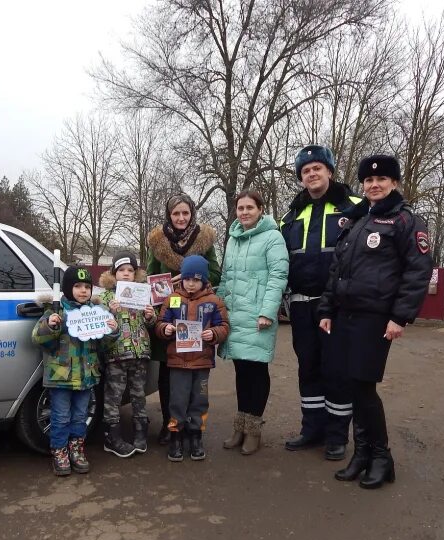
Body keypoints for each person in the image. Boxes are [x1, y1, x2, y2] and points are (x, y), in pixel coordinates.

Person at [318, 154, 432, 489]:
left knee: (364, 387)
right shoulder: (357, 221)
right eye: (368, 181)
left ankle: (382, 458)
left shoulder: (406, 221)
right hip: (345, 315)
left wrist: (400, 317)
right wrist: (326, 309)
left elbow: (417, 272)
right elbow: (337, 270)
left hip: (375, 318)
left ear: (394, 183)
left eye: (381, 180)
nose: (374, 185)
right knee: (353, 385)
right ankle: (363, 454)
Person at [279, 144, 363, 461]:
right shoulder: (289, 216)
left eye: (317, 168)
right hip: (300, 304)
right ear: (301, 178)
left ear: (329, 170)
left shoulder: (356, 206)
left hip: (339, 308)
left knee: (336, 370)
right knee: (308, 368)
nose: (312, 174)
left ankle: (337, 435)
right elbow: (280, 261)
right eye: (305, 170)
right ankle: (312, 429)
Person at [146, 192, 222, 445]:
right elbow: (150, 276)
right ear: (169, 215)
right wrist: (167, 285)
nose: (181, 217)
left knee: (193, 372)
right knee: (168, 371)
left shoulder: (204, 239)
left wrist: (195, 277)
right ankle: (171, 424)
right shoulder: (157, 242)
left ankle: (192, 426)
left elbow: (215, 272)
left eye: (185, 213)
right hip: (168, 313)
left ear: (192, 214)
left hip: (196, 315)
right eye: (176, 213)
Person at [218, 190, 289, 455]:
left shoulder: (273, 238)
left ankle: (253, 430)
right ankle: (240, 426)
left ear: (261, 209)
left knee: (256, 372)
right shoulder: (233, 239)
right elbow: (226, 278)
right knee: (241, 372)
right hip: (235, 316)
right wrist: (220, 309)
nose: (244, 212)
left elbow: (278, 276)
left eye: (250, 207)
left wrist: (267, 312)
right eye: (240, 208)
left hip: (258, 316)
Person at [32, 266, 118, 476]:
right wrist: (50, 326)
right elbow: (37, 338)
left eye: (87, 286)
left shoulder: (96, 313)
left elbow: (104, 345)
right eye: (77, 286)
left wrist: (112, 330)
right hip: (60, 378)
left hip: (86, 377)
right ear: (68, 289)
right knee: (60, 417)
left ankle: (76, 450)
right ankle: (59, 452)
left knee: (80, 417)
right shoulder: (55, 312)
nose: (83, 290)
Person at [155, 255, 229, 462]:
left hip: (202, 362)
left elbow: (224, 326)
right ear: (182, 279)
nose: (191, 283)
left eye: (196, 280)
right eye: (187, 279)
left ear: (204, 281)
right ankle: (176, 436)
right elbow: (160, 323)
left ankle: (196, 435)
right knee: (177, 401)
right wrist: (166, 329)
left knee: (199, 400)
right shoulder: (172, 299)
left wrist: (213, 334)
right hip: (177, 362)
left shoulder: (214, 301)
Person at [97, 251, 157, 458]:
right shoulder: (105, 296)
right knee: (113, 397)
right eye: (121, 270)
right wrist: (110, 311)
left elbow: (149, 322)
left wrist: (151, 316)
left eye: (130, 270)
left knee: (138, 395)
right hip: (116, 354)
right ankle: (111, 436)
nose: (125, 274)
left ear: (135, 273)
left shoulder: (142, 293)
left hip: (140, 354)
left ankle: (140, 433)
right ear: (114, 273)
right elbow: (98, 325)